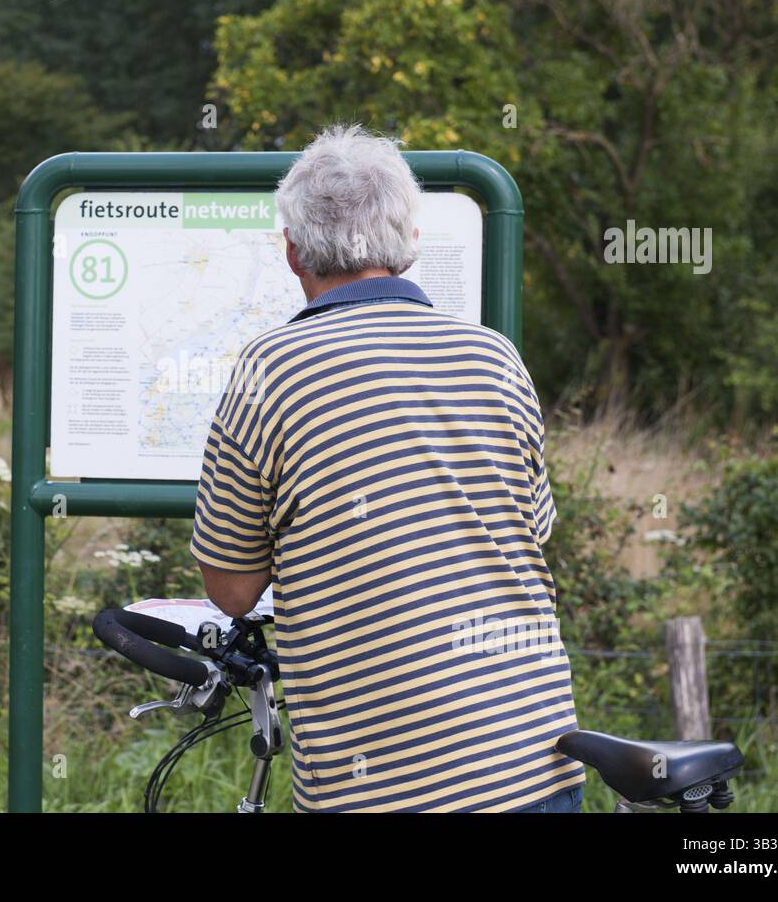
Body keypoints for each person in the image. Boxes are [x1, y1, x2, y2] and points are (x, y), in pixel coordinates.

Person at [189, 124, 584, 812]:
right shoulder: (496, 357)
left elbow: (230, 588)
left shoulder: (270, 370)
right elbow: (533, 532)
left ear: (292, 253)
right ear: (410, 240)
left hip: (377, 785)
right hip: (532, 762)